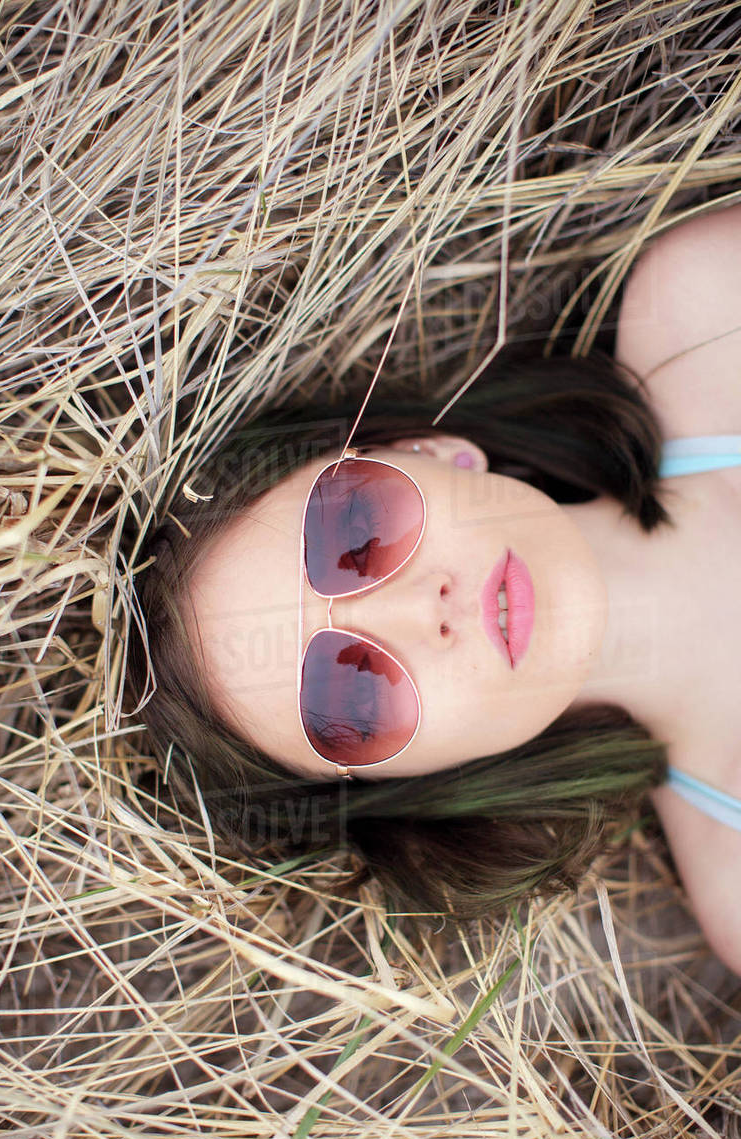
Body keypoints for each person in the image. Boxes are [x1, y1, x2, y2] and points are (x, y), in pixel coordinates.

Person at [127, 204, 741, 973]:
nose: (422, 607)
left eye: (358, 533)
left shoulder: (711, 308)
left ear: (426, 451)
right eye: (355, 695)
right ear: (418, 780)